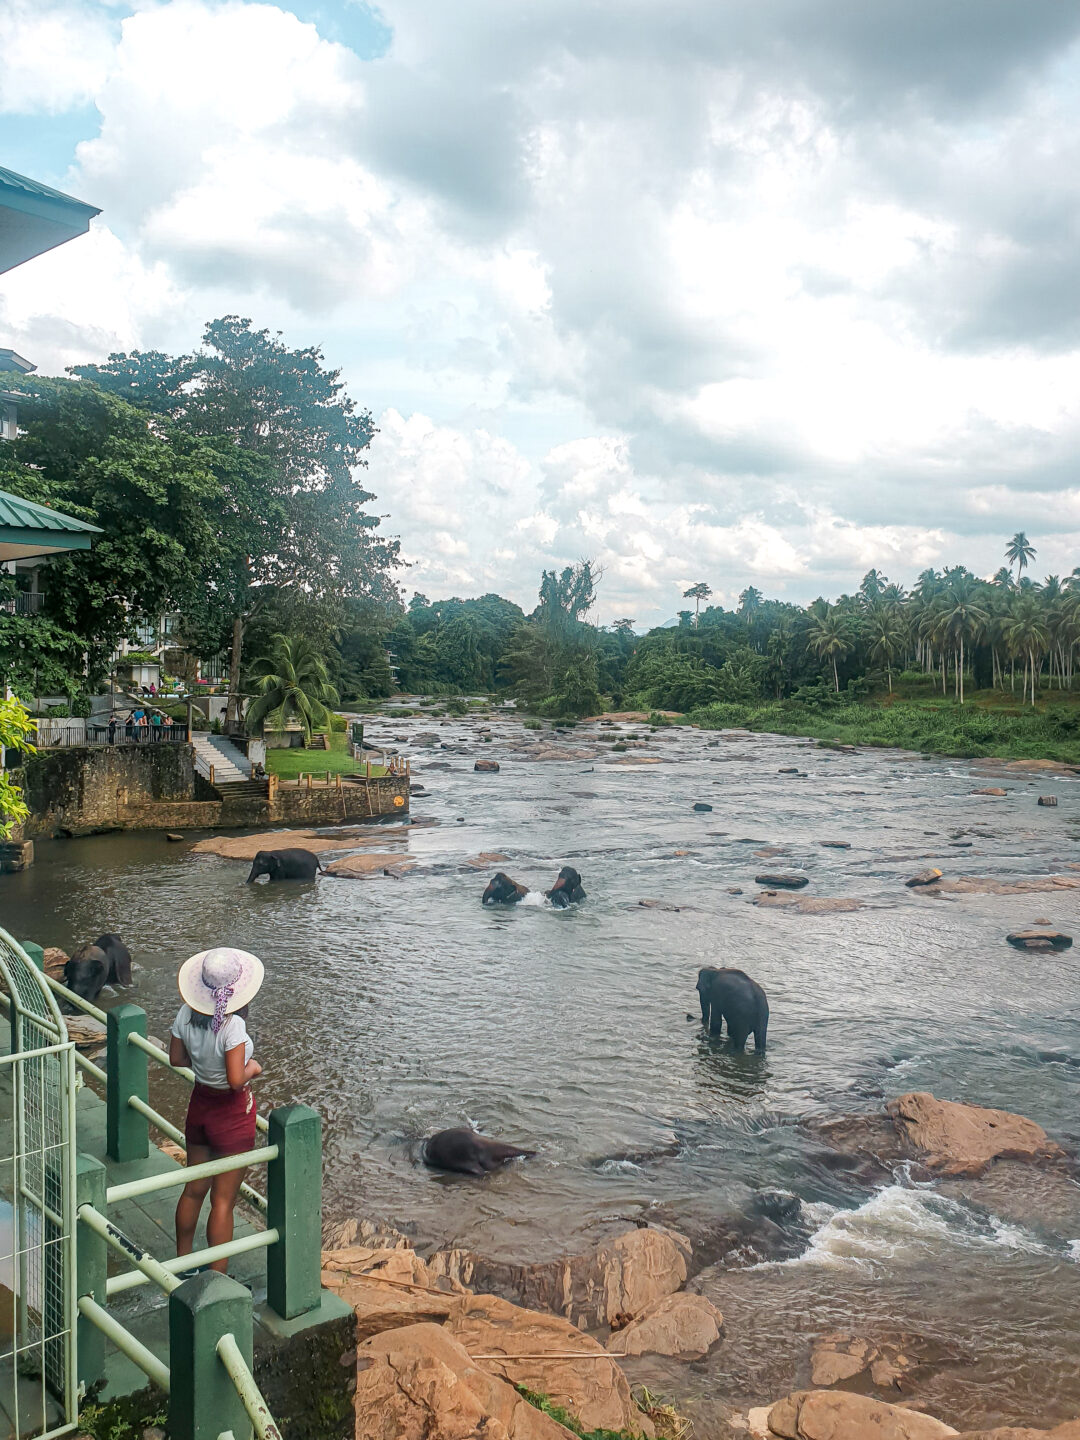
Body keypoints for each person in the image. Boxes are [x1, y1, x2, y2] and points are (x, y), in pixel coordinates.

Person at [169, 947, 264, 1274]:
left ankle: (183, 1262)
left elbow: (176, 1059)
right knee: (223, 1201)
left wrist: (203, 1065)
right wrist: (254, 1068)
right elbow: (236, 1080)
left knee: (194, 1189)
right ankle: (216, 1279)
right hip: (231, 1116)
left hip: (200, 1107)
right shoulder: (232, 1026)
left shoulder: (185, 1013)